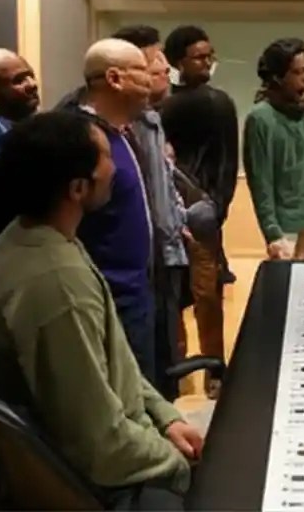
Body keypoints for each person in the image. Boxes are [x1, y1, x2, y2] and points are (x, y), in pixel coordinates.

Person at [0, 112, 203, 505]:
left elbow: (116, 365)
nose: (114, 167)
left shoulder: (30, 235)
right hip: (113, 484)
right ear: (78, 188)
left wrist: (166, 418)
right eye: (105, 156)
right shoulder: (58, 285)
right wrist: (188, 467)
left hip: (130, 441)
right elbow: (101, 445)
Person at [67, 38, 159, 379]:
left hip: (136, 289)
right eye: (141, 70)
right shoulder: (83, 140)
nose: (151, 78)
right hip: (109, 297)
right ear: (115, 79)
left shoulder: (120, 133)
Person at [110, 26, 194, 399]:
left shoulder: (152, 120)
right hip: (132, 270)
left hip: (164, 258)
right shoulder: (104, 129)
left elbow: (163, 187)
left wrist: (178, 220)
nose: (163, 67)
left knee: (164, 359)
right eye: (153, 60)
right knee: (138, 370)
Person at [160, 25, 239, 283]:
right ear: (179, 62)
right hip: (186, 207)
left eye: (209, 56)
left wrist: (216, 206)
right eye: (199, 57)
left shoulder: (215, 102)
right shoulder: (167, 105)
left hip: (203, 205)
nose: (207, 63)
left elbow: (227, 160)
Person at [243, 38, 304, 260]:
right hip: (285, 228)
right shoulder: (261, 118)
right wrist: (272, 234)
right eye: (297, 72)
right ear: (278, 78)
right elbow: (260, 181)